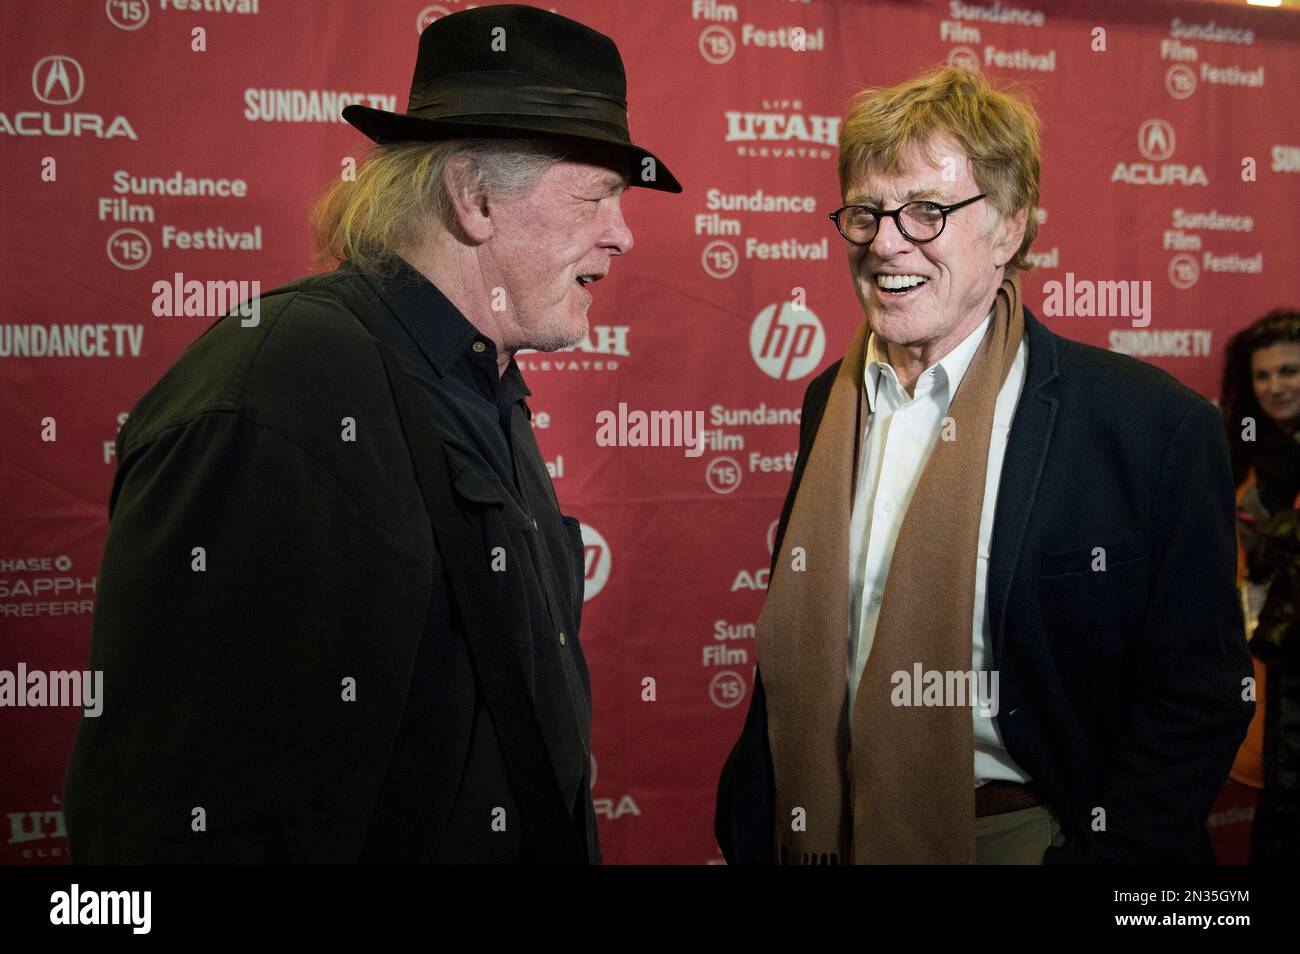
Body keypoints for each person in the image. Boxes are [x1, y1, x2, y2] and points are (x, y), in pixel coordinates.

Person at [63, 4, 679, 863]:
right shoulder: (283, 383)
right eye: (596, 196)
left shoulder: (483, 381)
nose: (622, 232)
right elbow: (173, 819)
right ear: (475, 199)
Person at [715, 65, 1253, 864]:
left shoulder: (1148, 427)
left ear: (1010, 227)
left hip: (1024, 836)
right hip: (824, 827)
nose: (886, 242)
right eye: (866, 213)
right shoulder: (828, 401)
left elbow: (1198, 698)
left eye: (927, 212)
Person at [1219, 309, 1300, 863]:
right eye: (1264, 375)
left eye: (1290, 371)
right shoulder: (1237, 455)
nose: (1276, 386)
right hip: (1267, 670)